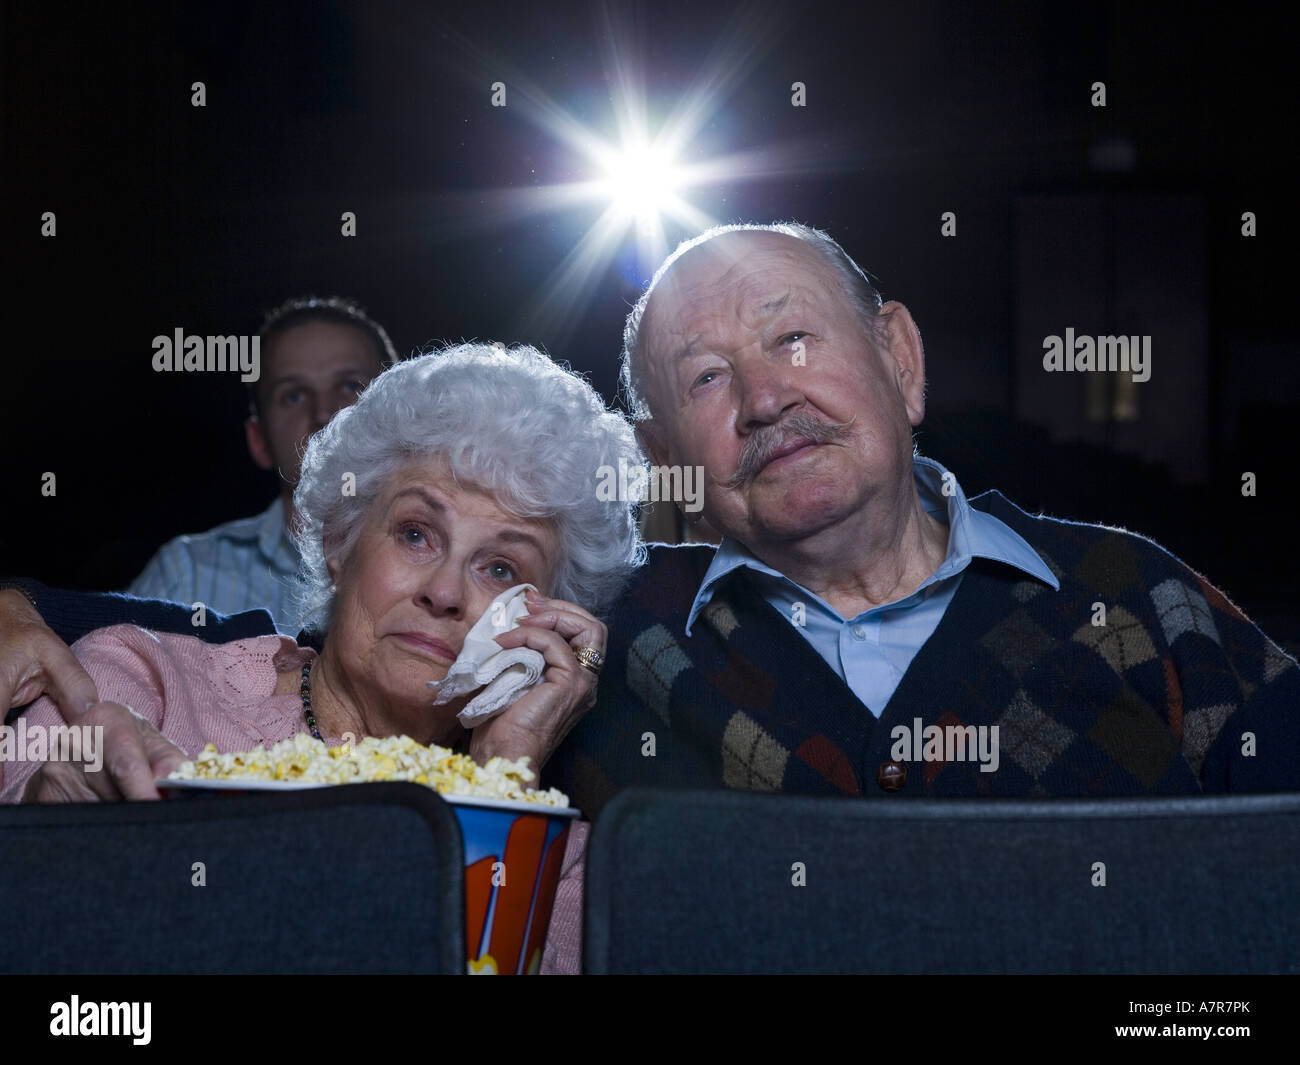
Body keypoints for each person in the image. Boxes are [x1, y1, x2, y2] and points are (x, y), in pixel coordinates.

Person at [542, 221, 1300, 811]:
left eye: (794, 340)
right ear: (662, 452)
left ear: (898, 358)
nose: (766, 399)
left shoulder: (1135, 595)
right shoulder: (608, 639)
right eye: (706, 377)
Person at [3, 343, 646, 975]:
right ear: (341, 543)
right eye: (416, 534)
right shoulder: (140, 680)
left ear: (550, 623)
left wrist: (500, 777)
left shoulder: (558, 858)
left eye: (500, 567)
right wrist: (51, 824)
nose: (445, 592)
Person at [127, 296, 400, 635]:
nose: (323, 412)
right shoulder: (186, 574)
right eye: (294, 395)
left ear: (401, 415)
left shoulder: (453, 571)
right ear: (259, 440)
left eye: (349, 386)